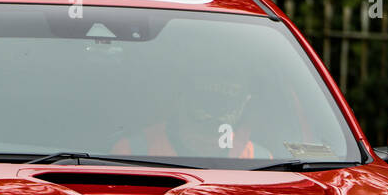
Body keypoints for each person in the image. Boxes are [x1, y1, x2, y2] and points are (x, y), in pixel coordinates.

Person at [112, 69, 272, 161]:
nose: (215, 110)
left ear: (244, 104)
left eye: (226, 102)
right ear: (180, 98)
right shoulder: (132, 152)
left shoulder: (261, 160)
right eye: (206, 99)